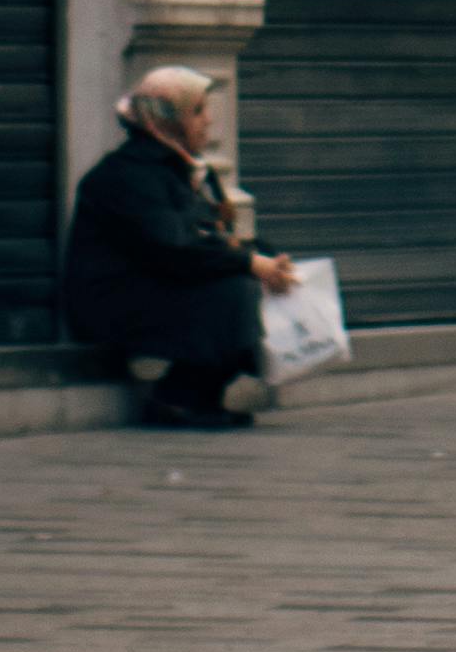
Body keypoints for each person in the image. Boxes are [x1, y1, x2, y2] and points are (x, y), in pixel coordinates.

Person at [61, 70, 295, 428]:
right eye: (198, 111)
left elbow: (199, 237)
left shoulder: (182, 169)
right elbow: (172, 250)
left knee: (254, 270)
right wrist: (247, 263)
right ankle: (177, 398)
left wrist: (257, 257)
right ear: (167, 119)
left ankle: (204, 397)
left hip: (156, 288)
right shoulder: (127, 175)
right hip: (114, 303)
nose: (208, 121)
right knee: (235, 290)